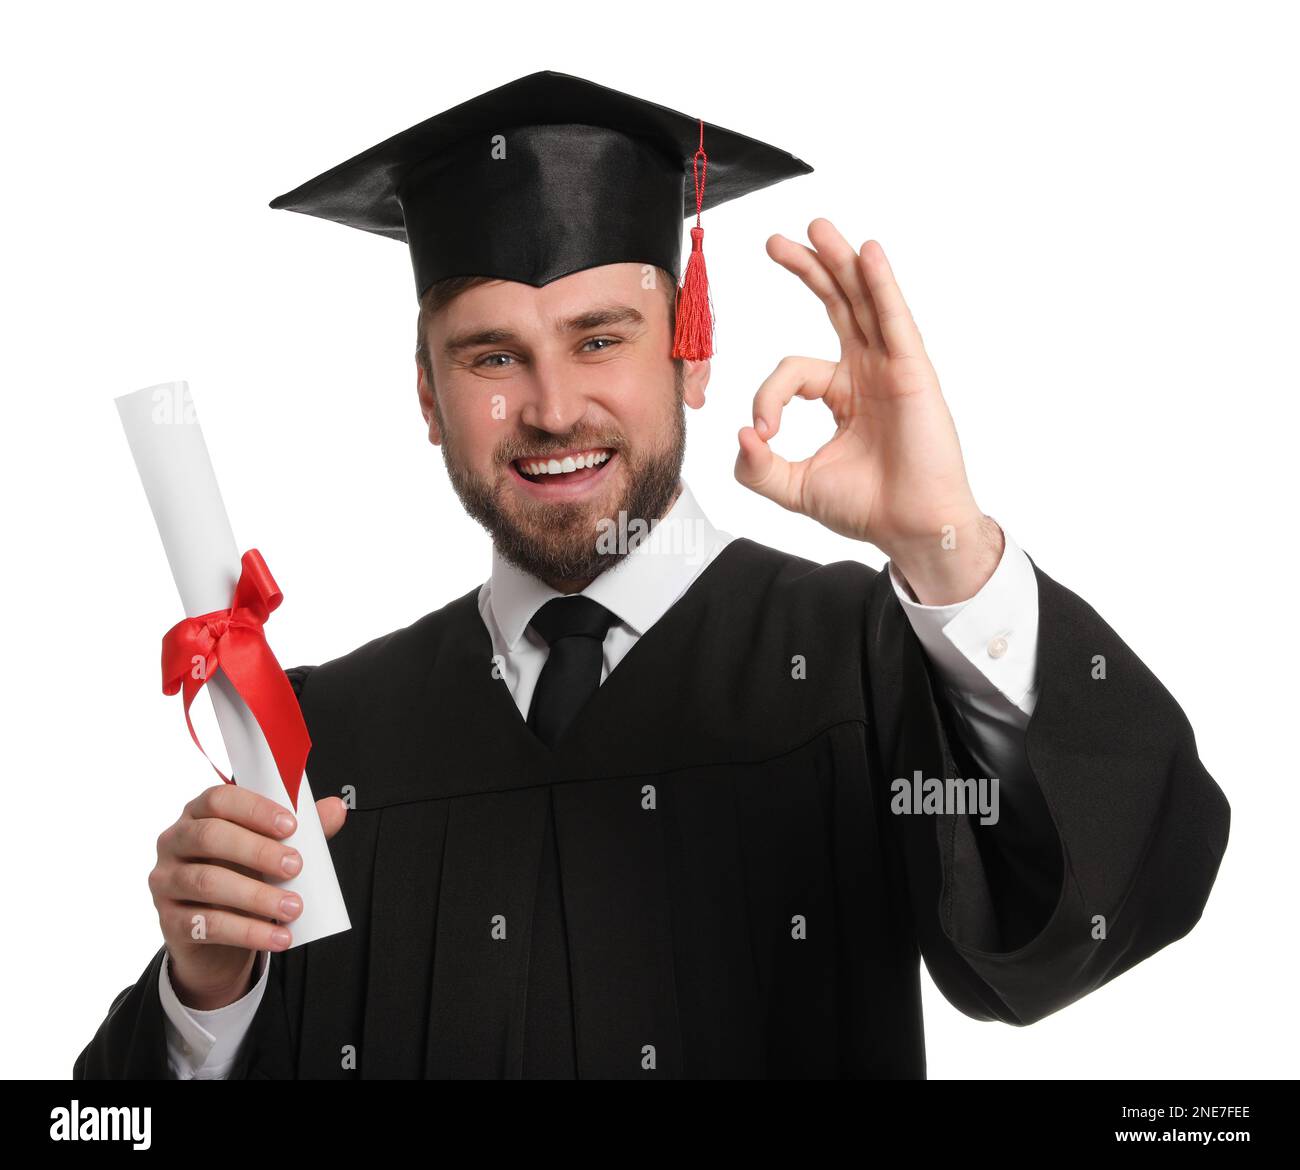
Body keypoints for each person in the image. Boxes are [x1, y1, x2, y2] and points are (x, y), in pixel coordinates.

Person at [76, 70, 1230, 1079]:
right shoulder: (323, 733)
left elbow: (1097, 910)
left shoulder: (861, 660)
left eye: (598, 338)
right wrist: (206, 999)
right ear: (428, 398)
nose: (551, 409)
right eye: (490, 357)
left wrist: (947, 552)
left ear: (689, 350)